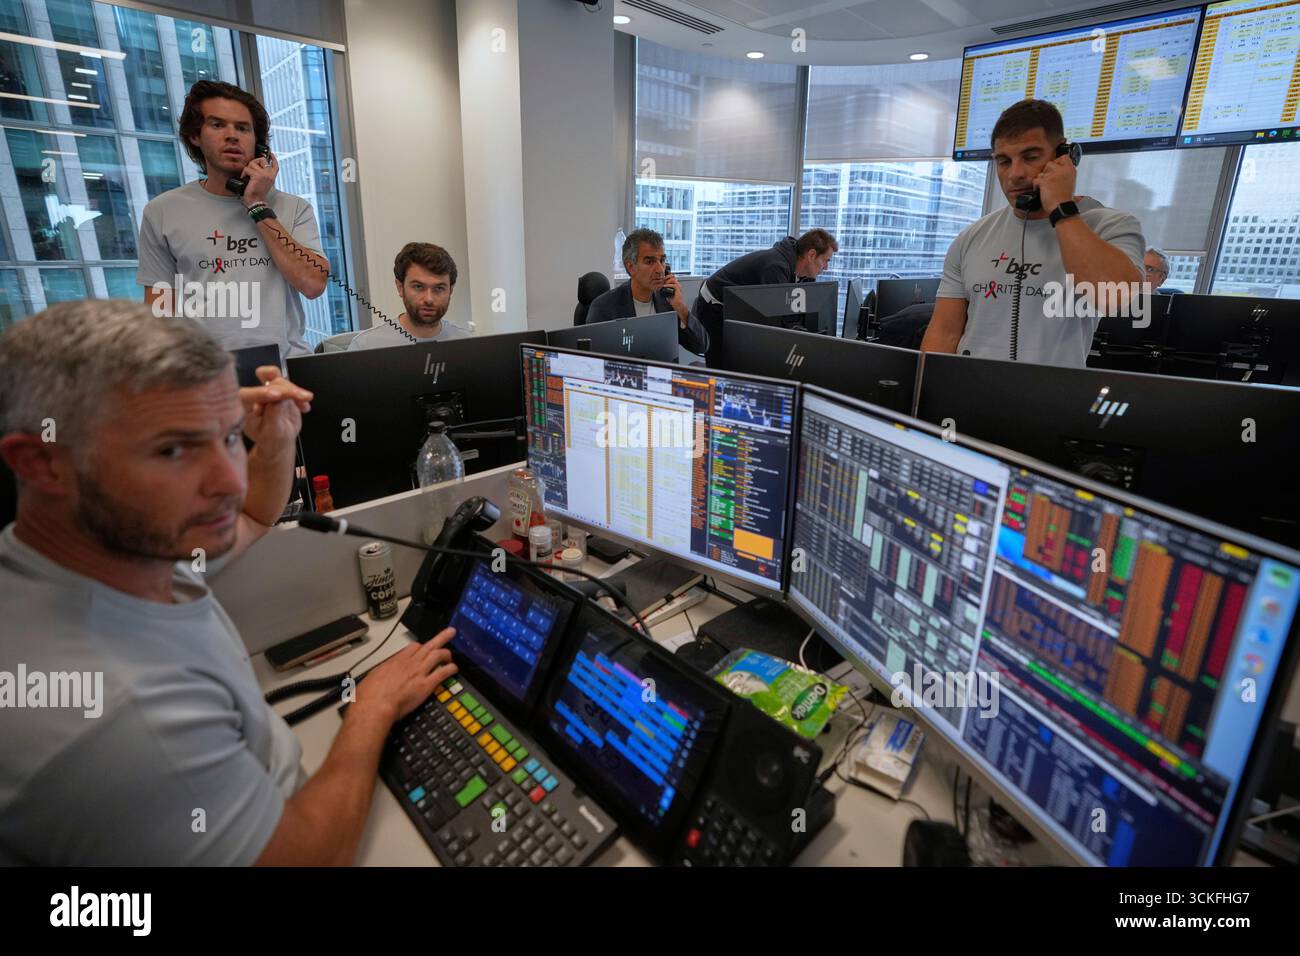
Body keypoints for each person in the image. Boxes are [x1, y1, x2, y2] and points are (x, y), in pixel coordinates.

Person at [0, 300, 459, 865]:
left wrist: (274, 442)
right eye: (173, 449)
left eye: (227, 438)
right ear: (41, 462)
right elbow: (310, 857)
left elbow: (254, 516)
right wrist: (371, 709)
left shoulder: (123, 549)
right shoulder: (116, 719)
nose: (229, 480)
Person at [921, 99, 1144, 367]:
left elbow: (1115, 299)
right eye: (1004, 161)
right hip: (970, 387)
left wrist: (1061, 209)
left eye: (1030, 157)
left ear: (1063, 156)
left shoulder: (1110, 226)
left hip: (1052, 390)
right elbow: (944, 333)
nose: (1015, 174)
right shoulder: (972, 237)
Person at [137, 80, 329, 360]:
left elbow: (313, 284)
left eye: (242, 128)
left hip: (286, 368)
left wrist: (257, 205)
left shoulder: (293, 208)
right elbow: (160, 310)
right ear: (195, 136)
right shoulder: (163, 211)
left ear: (259, 145)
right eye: (217, 125)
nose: (232, 136)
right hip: (207, 371)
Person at [690, 228, 838, 365]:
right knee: (724, 367)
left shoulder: (803, 275)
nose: (826, 267)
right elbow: (776, 319)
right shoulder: (775, 267)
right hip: (714, 306)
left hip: (739, 307)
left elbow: (798, 313)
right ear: (811, 255)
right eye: (826, 260)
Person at [584, 228, 709, 355]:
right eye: (650, 262)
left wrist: (681, 309)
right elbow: (595, 360)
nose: (660, 270)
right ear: (631, 267)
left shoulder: (668, 302)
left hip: (662, 367)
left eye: (662, 260)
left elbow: (701, 347)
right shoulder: (604, 307)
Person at [348, 242, 469, 350]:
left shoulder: (466, 343)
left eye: (439, 288)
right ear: (400, 287)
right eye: (418, 287)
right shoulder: (365, 346)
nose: (429, 299)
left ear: (450, 290)